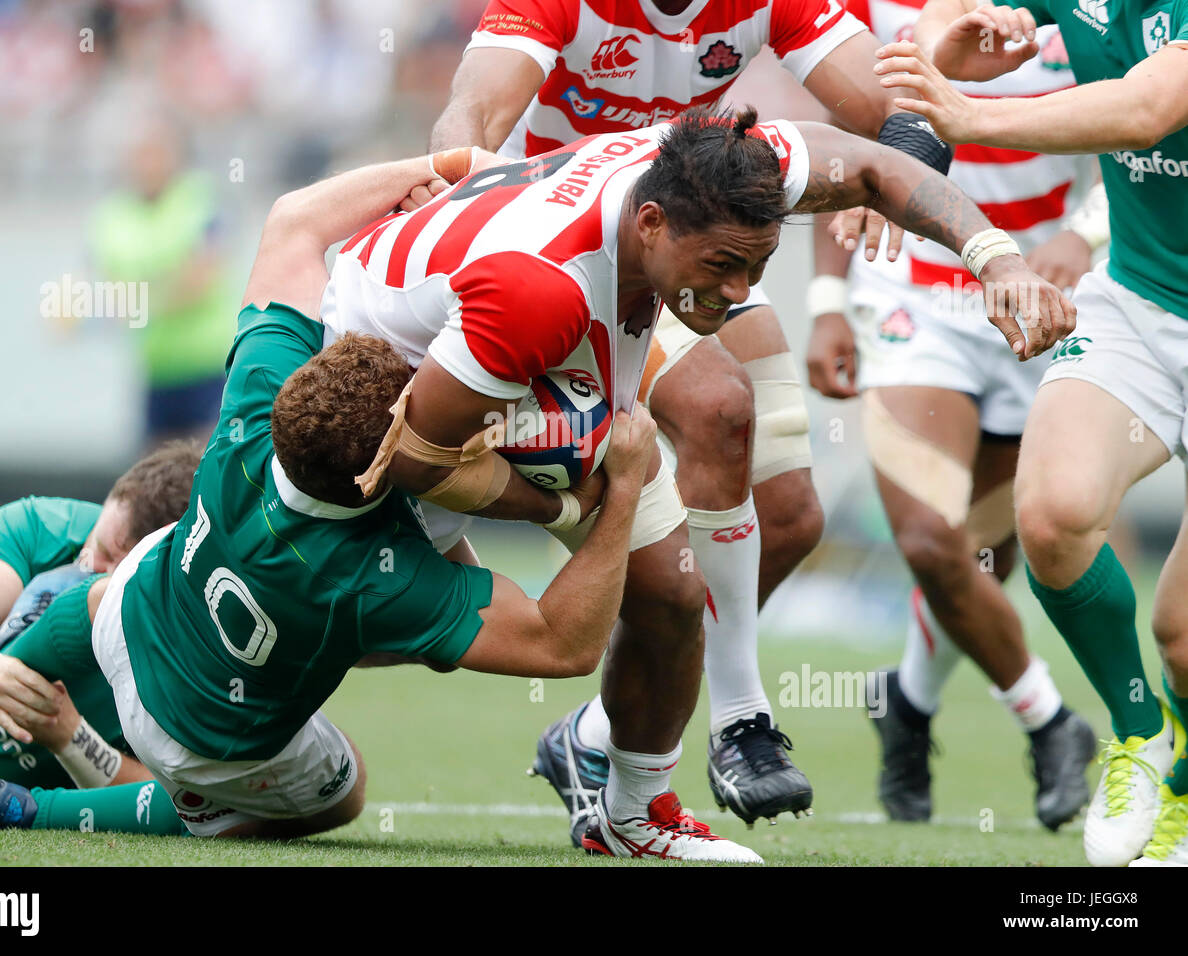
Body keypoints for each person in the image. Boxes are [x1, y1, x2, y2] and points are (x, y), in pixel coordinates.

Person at [322, 106, 1074, 856]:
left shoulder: (725, 167)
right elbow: (417, 454)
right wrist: (562, 504)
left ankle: (638, 810)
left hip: (549, 339)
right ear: (650, 223)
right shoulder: (537, 288)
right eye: (722, 267)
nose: (738, 290)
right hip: (393, 401)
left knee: (677, 591)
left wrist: (995, 258)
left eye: (758, 265)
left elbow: (878, 164)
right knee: (347, 632)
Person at [429, 0, 962, 826]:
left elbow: (904, 120)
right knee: (718, 406)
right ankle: (742, 720)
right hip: (586, 260)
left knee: (789, 516)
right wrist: (461, 205)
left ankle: (596, 732)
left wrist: (889, 177)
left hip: (694, 247)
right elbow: (473, 116)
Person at [68, 151, 680, 856]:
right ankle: (85, 796)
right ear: (389, 466)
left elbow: (292, 223)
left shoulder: (255, 396)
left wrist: (447, 164)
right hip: (203, 746)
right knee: (347, 785)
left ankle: (15, 658)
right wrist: (623, 488)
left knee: (89, 588)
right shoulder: (377, 576)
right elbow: (566, 643)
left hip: (130, 614)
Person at [876, 0, 1188, 865]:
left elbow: (1148, 107)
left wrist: (969, 113)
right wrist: (950, 59)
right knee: (1049, 520)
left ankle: (1187, 793)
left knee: (1184, 633)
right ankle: (1137, 734)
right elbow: (943, 18)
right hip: (1140, 297)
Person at [803, 0, 1100, 828]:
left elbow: (1141, 137)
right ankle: (1053, 721)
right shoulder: (869, 10)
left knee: (978, 560)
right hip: (910, 297)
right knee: (933, 539)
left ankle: (904, 703)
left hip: (1032, 297)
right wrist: (828, 300)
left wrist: (1084, 231)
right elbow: (841, 146)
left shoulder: (1078, 16)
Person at [0, 442, 200, 832]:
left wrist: (72, 738)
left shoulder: (185, 659)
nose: (95, 573)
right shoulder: (56, 525)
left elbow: (181, 803)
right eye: (99, 549)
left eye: (116, 573)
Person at [89, 114, 235, 447]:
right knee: (155, 479)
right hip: (156, 372)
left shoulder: (201, 198)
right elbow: (107, 287)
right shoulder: (111, 214)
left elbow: (200, 278)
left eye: (155, 152)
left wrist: (141, 302)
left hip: (208, 367)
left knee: (205, 468)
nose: (147, 164)